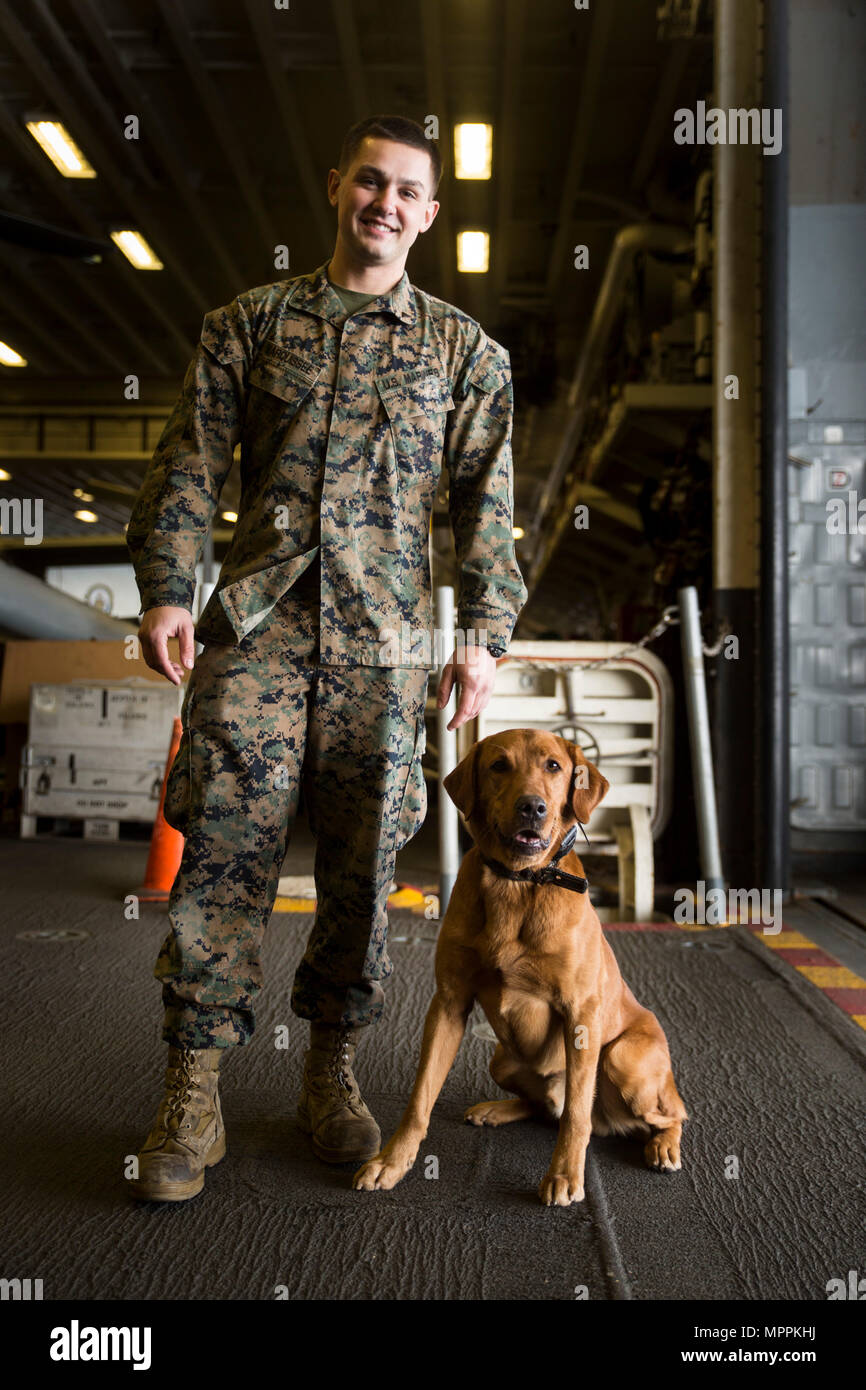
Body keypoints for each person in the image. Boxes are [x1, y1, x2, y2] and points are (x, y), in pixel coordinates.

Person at [125, 114, 527, 1202]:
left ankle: (331, 1075)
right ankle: (192, 1094)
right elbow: (189, 462)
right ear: (337, 188)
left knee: (358, 876)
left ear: (428, 214)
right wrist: (168, 586)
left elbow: (491, 509)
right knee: (222, 856)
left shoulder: (463, 355)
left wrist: (483, 638)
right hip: (256, 632)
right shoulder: (247, 326)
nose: (384, 203)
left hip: (387, 653)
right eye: (368, 182)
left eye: (406, 190)